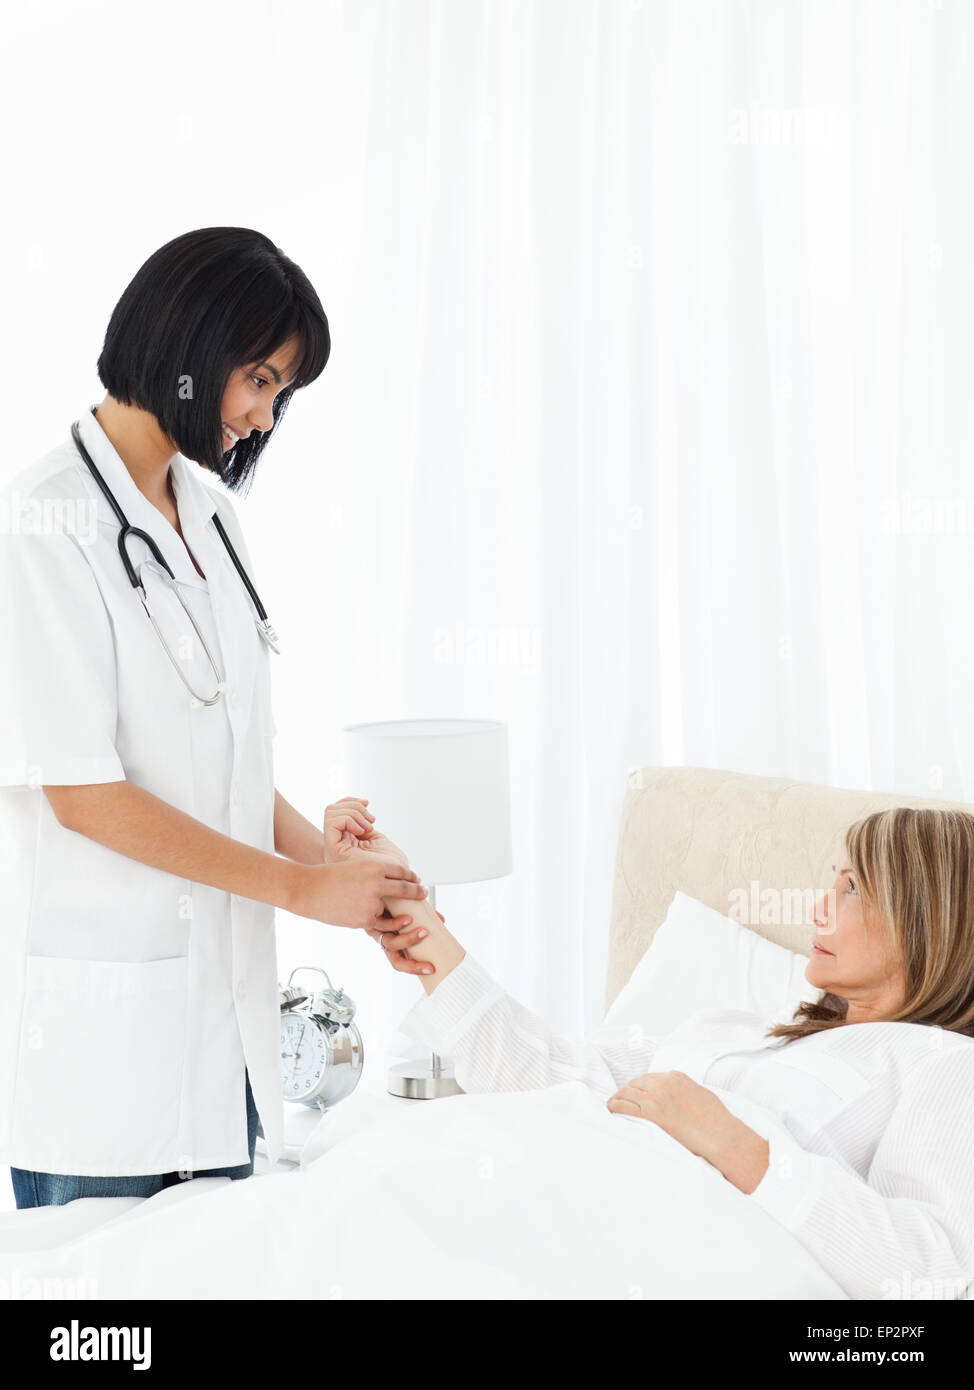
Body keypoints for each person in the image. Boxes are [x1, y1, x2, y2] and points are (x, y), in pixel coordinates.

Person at [0, 227, 433, 1208]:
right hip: (99, 1060)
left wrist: (332, 867)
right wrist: (296, 887)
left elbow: (222, 757)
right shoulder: (41, 524)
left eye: (280, 392)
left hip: (222, 1045)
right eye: (256, 378)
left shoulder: (211, 516)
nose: (262, 414)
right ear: (184, 342)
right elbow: (85, 793)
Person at [348, 806, 974, 1301]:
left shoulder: (940, 1062)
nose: (816, 907)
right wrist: (416, 915)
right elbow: (548, 1074)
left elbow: (933, 1275)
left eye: (851, 886)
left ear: (927, 914)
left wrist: (737, 1144)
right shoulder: (736, 1034)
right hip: (554, 1194)